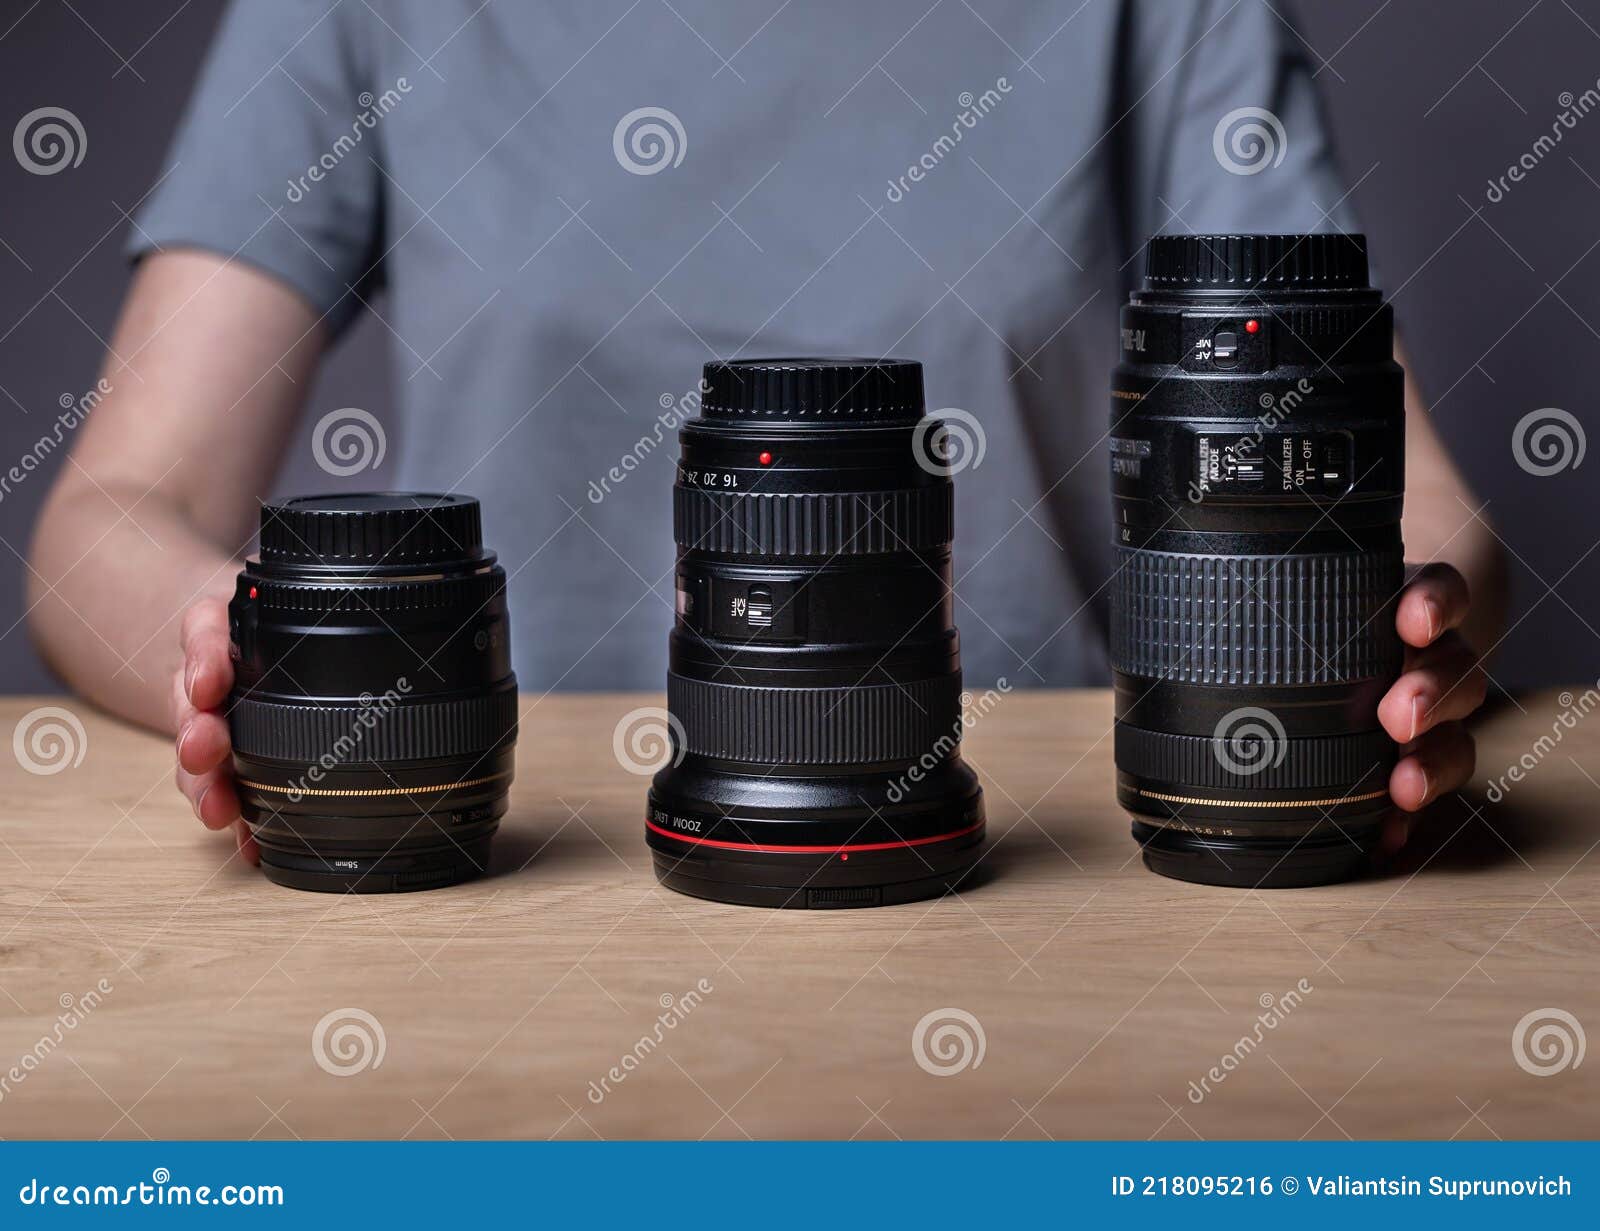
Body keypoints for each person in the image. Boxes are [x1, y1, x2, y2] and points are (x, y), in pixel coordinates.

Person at [27, 1, 1501, 863]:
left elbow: (1395, 480)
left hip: (1050, 861)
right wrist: (262, 651)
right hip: (499, 870)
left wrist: (1402, 636)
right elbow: (113, 512)